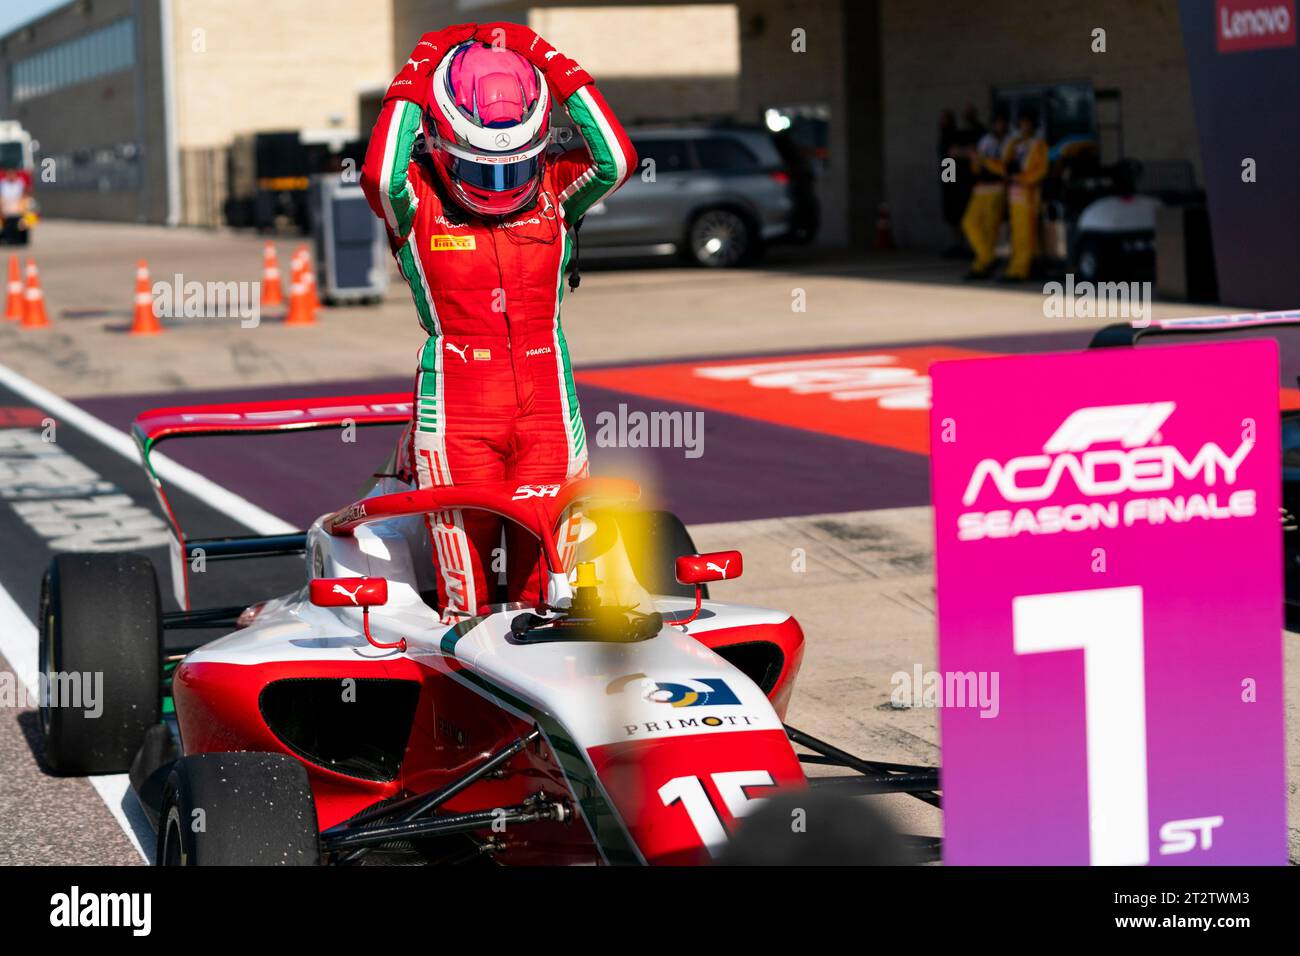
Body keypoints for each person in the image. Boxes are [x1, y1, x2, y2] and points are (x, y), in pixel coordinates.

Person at [360, 23, 637, 622]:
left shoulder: (556, 192)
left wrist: (542, 53)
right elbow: (380, 173)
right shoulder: (415, 199)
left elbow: (617, 157)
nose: (500, 184)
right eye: (482, 169)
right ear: (440, 143)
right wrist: (420, 65)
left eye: (513, 168)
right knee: (470, 598)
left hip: (550, 412)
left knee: (559, 588)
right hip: (457, 415)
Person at [1000, 108, 1048, 281]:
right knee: (1017, 234)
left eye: (1027, 123)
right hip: (1014, 194)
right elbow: (1005, 164)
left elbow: (1041, 170)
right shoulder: (1016, 144)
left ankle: (1020, 270)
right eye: (1021, 124)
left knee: (1025, 234)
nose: (1023, 127)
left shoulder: (1039, 145)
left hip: (1029, 194)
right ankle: (1020, 266)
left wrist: (1022, 179)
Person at [960, 110, 1008, 279]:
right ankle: (988, 258)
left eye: (1002, 123)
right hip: (981, 188)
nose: (1000, 126)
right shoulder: (987, 140)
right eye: (997, 123)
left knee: (989, 230)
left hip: (996, 189)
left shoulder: (1009, 142)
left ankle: (981, 266)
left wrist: (979, 160)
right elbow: (977, 164)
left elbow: (1004, 166)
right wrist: (973, 159)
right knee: (970, 223)